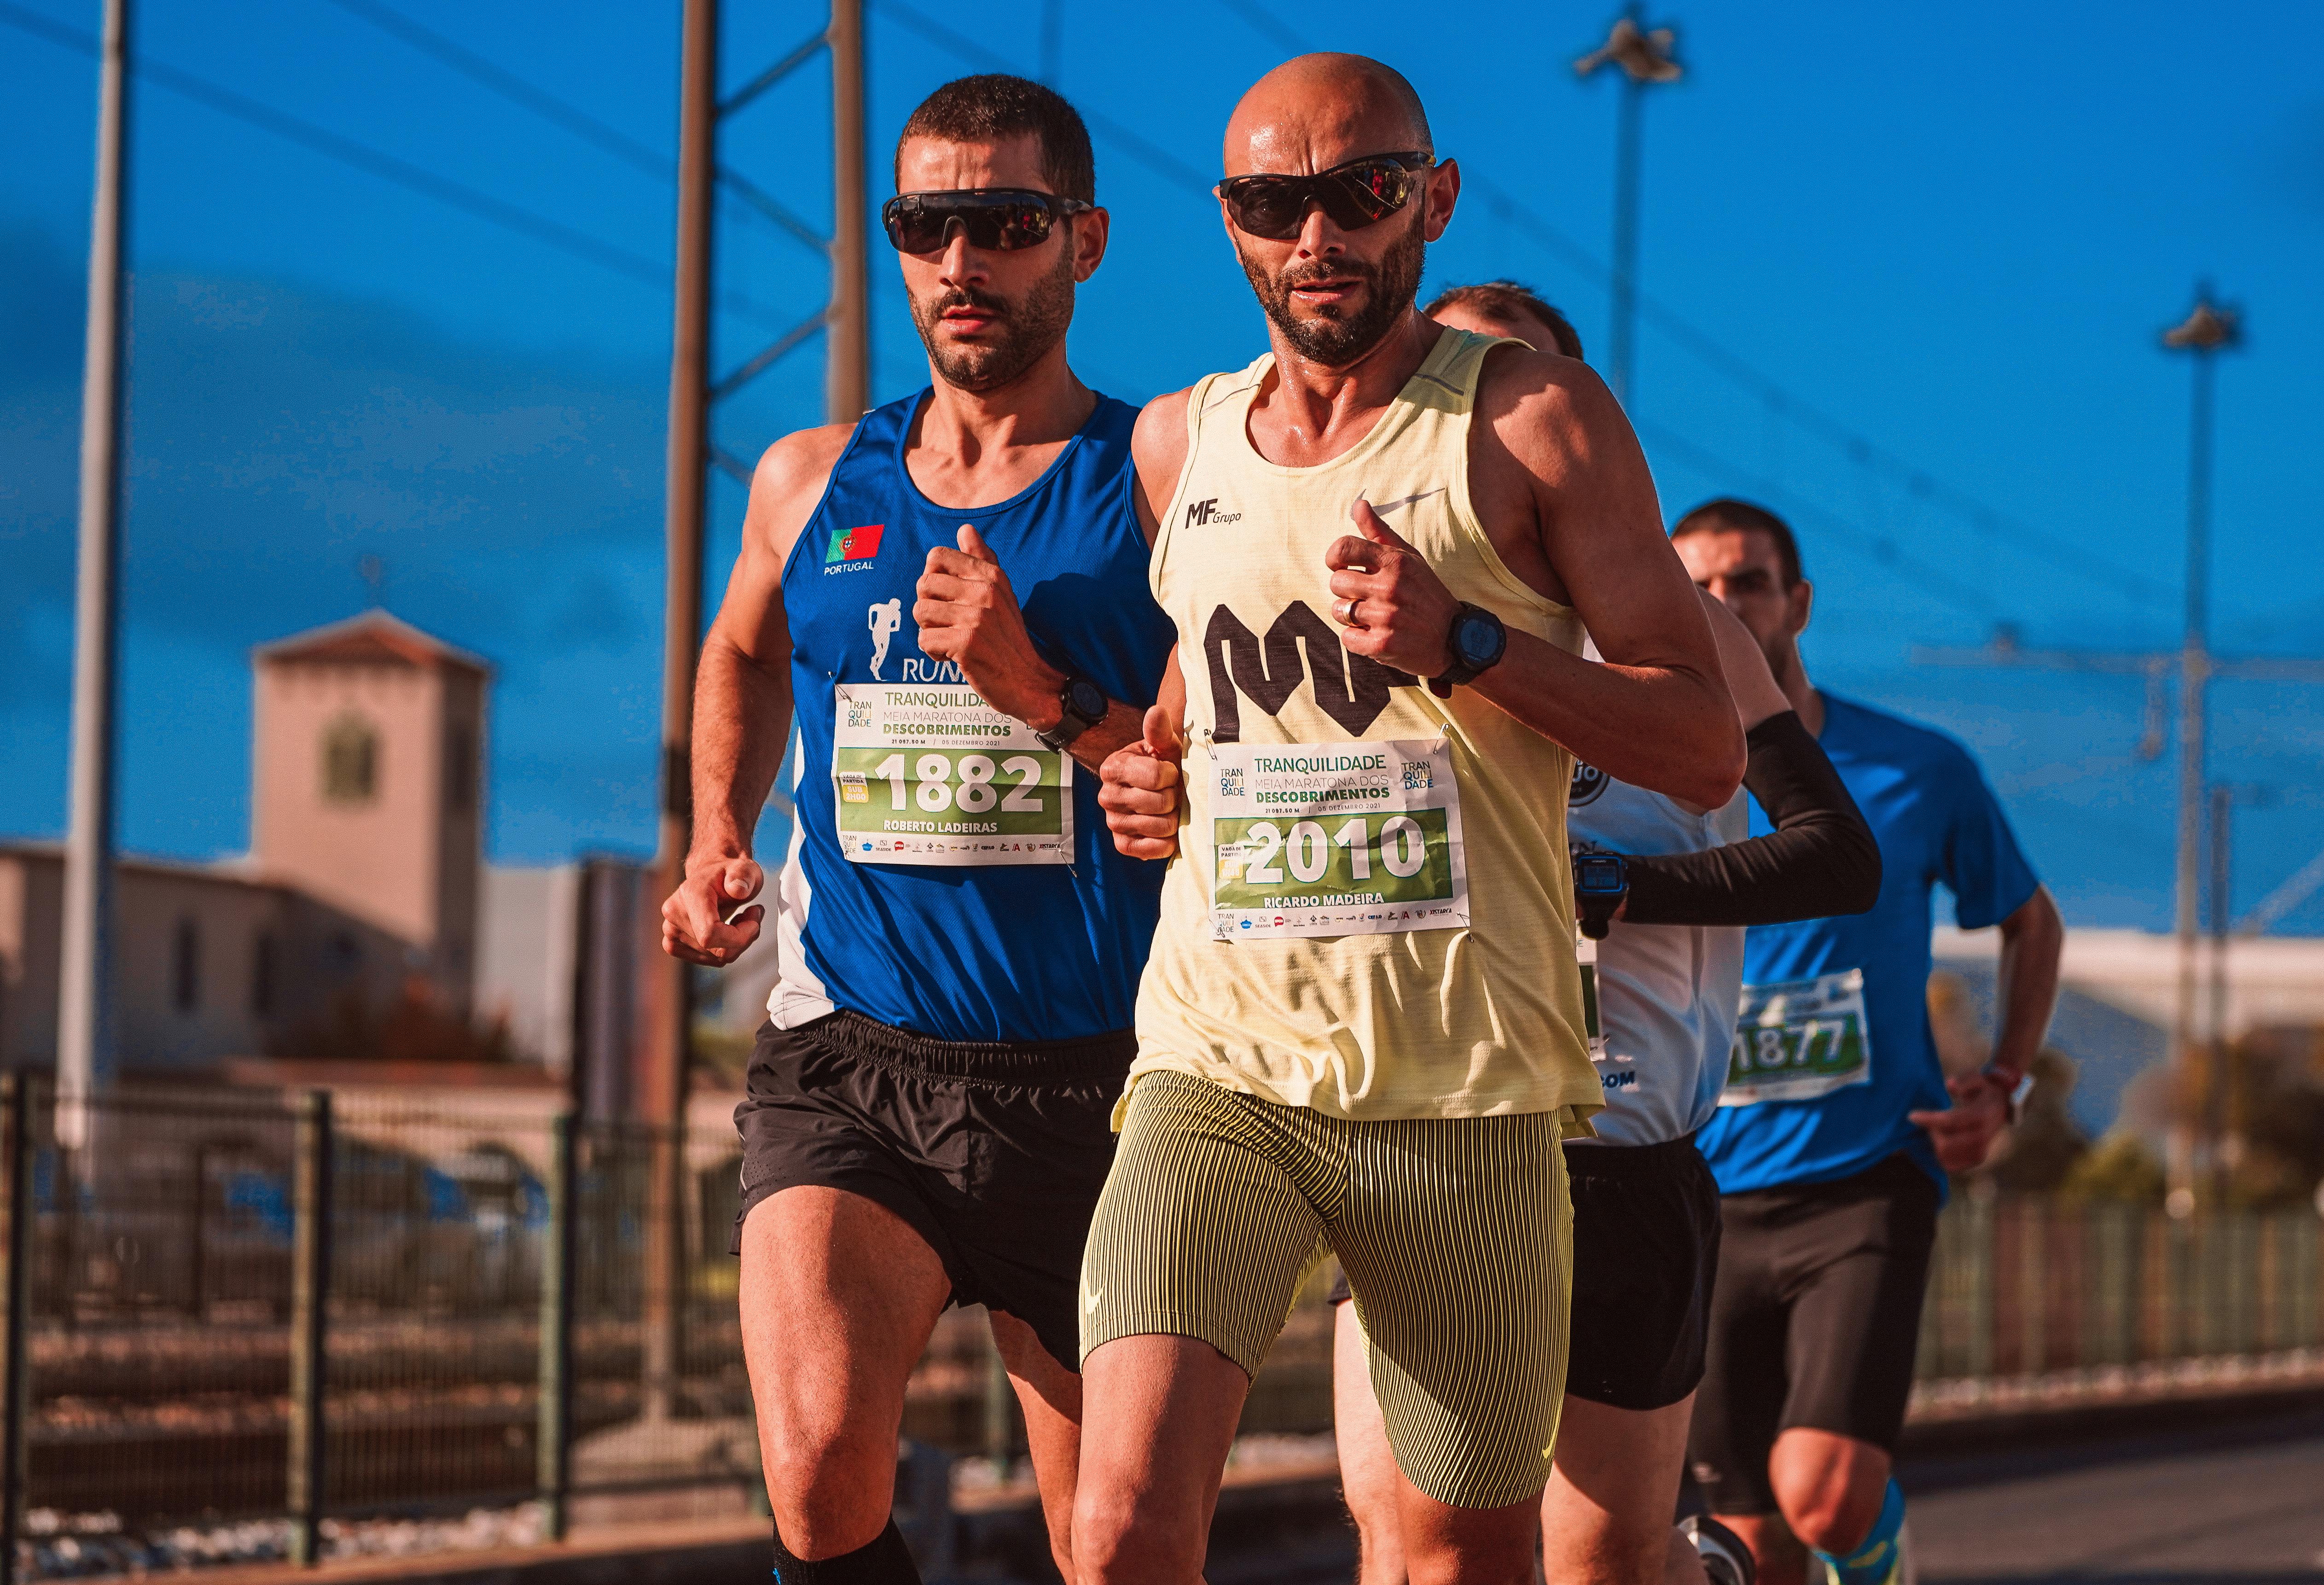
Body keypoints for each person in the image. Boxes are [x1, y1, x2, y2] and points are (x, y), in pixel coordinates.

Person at [1081, 57, 1745, 1585]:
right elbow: (1197, 695)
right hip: (1220, 1066)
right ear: (1229, 223)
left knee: (1455, 1555)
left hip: (1463, 1093)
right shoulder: (1179, 446)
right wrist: (1147, 768)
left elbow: (1702, 745)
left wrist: (1473, 646)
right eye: (1272, 201)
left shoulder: (1535, 423)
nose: (1316, 234)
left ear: (1430, 202)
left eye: (1359, 192)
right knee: (1116, 1528)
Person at [658, 76, 1173, 1585]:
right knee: (820, 1479)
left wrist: (1041, 692)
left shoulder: (1155, 484)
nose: (962, 262)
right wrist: (712, 834)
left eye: (1004, 225)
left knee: (1118, 1548)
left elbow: (1221, 767)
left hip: (1101, 1088)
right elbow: (745, 647)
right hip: (855, 1058)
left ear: (1078, 242)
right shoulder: (811, 479)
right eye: (925, 226)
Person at [1328, 283, 1881, 1585]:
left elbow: (1837, 854)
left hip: (1618, 1158)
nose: (1492, 417)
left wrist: (1622, 888)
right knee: (1409, 1548)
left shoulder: (1688, 640)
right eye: (1457, 381)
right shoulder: (1364, 618)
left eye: (1522, 385)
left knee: (1599, 1563)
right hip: (1420, 1136)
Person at [1673, 500, 2065, 1585]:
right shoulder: (1643, 780)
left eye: (1746, 582)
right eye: (1694, 584)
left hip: (1864, 1178)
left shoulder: (1914, 767)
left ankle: (1877, 1551)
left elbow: (2030, 919)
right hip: (1697, 1192)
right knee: (1751, 1547)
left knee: (1826, 1498)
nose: (1721, 604)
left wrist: (2006, 1081)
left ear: (1795, 603)